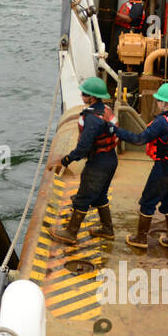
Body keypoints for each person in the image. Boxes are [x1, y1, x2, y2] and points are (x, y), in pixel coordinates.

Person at [114, 82, 168, 253]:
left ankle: (140, 238)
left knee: (148, 202)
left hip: (164, 169)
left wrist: (117, 131)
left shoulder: (161, 122)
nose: (157, 103)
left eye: (159, 101)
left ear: (166, 103)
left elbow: (139, 139)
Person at [54, 77, 118, 241]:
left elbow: (83, 148)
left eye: (84, 93)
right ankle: (107, 229)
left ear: (92, 97)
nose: (81, 96)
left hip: (98, 163)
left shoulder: (91, 119)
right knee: (100, 195)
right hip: (111, 159)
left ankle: (71, 233)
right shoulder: (106, 110)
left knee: (83, 197)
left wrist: (66, 160)